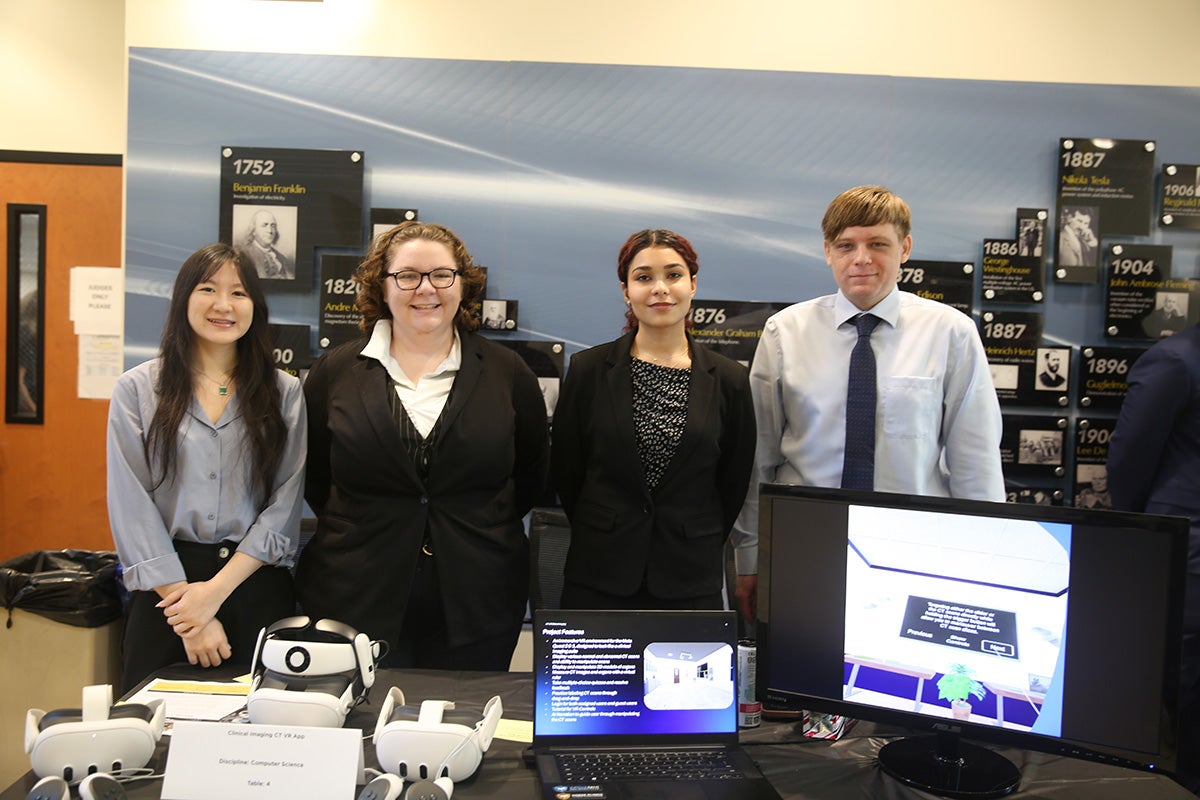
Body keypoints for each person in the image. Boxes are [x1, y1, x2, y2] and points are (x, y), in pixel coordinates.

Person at [732, 186, 1005, 620]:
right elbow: (758, 456)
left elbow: (976, 462)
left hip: (913, 550)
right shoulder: (785, 332)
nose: (862, 258)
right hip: (803, 543)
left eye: (878, 244)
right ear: (828, 252)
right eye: (846, 246)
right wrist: (750, 557)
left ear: (905, 248)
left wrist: (985, 562)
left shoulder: (950, 333)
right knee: (798, 674)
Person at [297, 221, 548, 670]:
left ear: (462, 283)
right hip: (355, 593)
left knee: (461, 731)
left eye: (441, 275)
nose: (425, 289)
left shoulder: (508, 373)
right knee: (362, 730)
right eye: (408, 275)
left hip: (479, 596)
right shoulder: (335, 373)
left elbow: (529, 477)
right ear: (382, 285)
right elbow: (317, 478)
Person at [106, 243, 306, 693]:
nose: (223, 305)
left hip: (252, 585)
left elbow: (285, 504)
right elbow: (130, 505)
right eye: (208, 289)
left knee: (256, 743)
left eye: (239, 293)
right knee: (157, 746)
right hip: (166, 596)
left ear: (255, 306)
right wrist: (191, 617)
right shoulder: (136, 389)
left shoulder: (284, 392)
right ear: (183, 300)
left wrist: (212, 595)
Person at [552, 230, 757, 621]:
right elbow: (568, 472)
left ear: (693, 284)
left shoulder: (728, 379)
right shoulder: (588, 371)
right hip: (600, 575)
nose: (660, 288)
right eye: (644, 277)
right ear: (626, 290)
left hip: (689, 579)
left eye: (674, 275)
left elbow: (733, 481)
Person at [1108, 321, 1200, 794]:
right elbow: (1129, 462)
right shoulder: (1177, 359)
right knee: (1180, 697)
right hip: (1186, 558)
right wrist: (1139, 540)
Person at [242, 209, 293, 279]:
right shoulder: (244, 255)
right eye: (264, 225)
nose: (270, 231)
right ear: (253, 230)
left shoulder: (282, 258)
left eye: (273, 226)